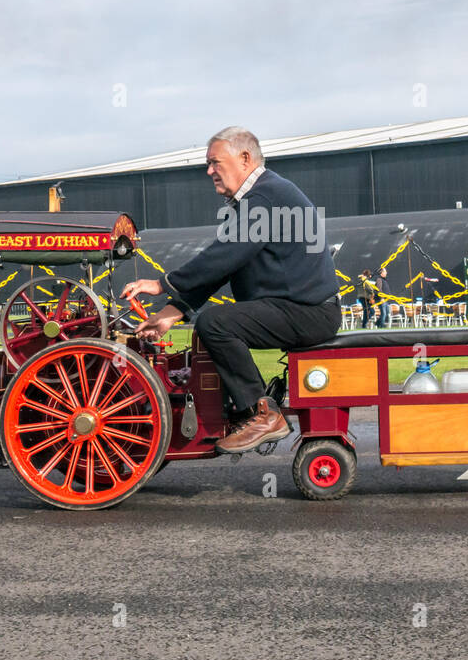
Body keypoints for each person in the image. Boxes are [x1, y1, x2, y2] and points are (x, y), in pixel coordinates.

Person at [122, 127, 340, 454]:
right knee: (214, 323)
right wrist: (171, 313)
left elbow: (225, 254)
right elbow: (228, 264)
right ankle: (245, 409)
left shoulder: (265, 197)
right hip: (302, 309)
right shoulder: (264, 196)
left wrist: (163, 283)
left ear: (245, 158)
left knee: (216, 323)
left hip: (309, 313)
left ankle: (262, 413)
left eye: (214, 162)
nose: (209, 171)